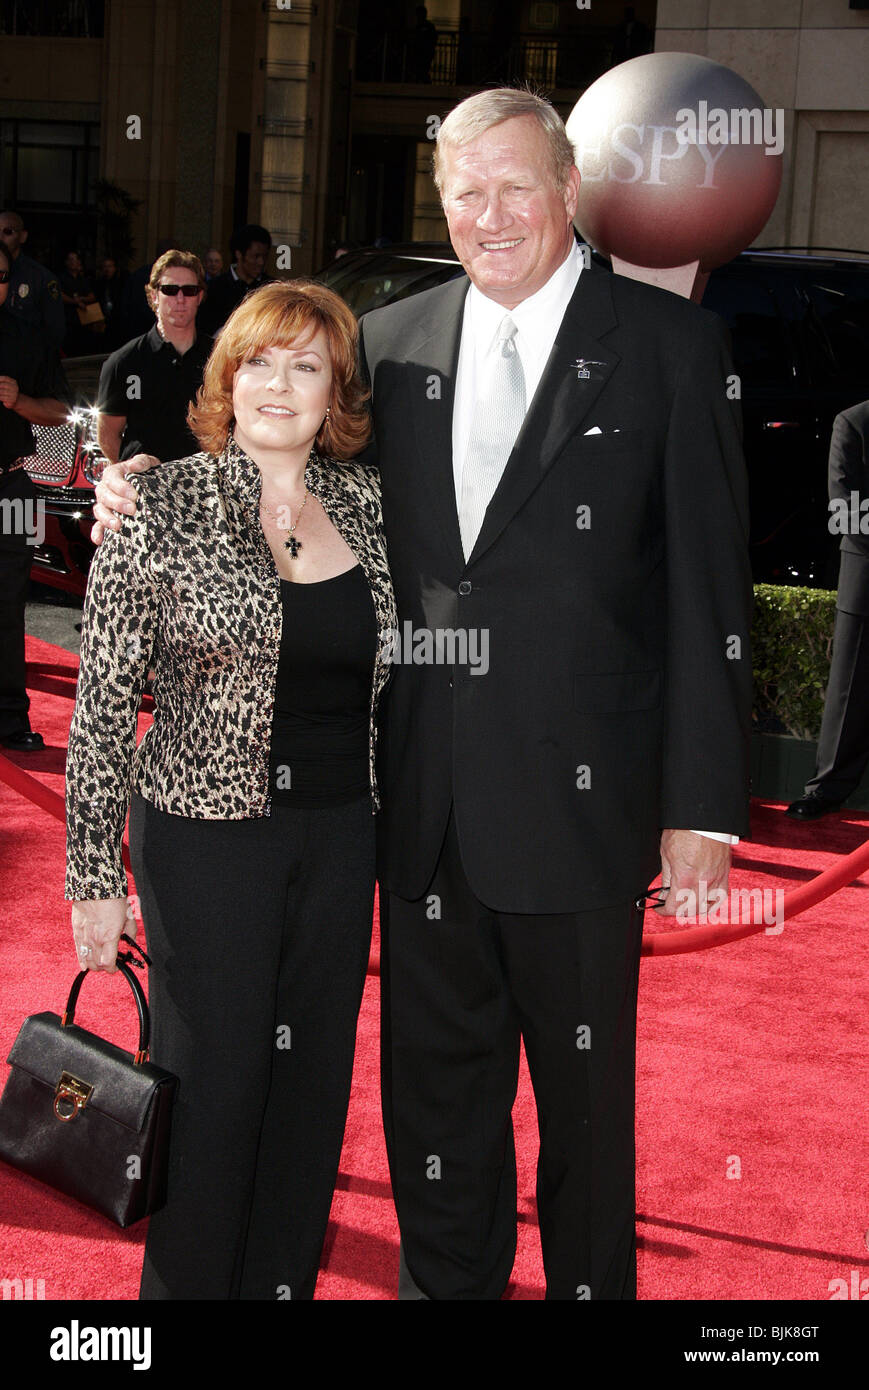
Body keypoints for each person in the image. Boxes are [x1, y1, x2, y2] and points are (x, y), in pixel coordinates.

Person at [93, 87, 752, 1301]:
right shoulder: (392, 347)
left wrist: (700, 806)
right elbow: (276, 458)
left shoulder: (667, 348)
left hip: (582, 808)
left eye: (513, 186)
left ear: (566, 187)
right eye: (464, 194)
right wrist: (143, 484)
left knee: (586, 1120)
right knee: (436, 1114)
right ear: (438, 204)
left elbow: (708, 594)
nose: (489, 215)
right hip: (418, 810)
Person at [66, 279, 396, 1300]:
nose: (278, 383)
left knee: (307, 1097)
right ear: (226, 377)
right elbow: (102, 703)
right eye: (258, 360)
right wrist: (91, 874)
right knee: (212, 1097)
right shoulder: (159, 502)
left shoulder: (372, 507)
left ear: (335, 388)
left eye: (305, 364)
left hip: (342, 841)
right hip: (206, 845)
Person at [0, 238, 70, 751]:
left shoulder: (29, 338)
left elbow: (61, 412)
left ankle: (10, 718)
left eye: (2, 278)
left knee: (12, 604)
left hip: (15, 485)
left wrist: (19, 400)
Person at [787, 400, 869, 820]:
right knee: (849, 691)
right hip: (866, 577)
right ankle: (826, 790)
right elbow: (846, 510)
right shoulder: (854, 423)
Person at [96, 250, 212, 465]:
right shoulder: (124, 362)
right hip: (145, 487)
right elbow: (108, 434)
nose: (180, 299)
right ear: (153, 296)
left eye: (189, 290)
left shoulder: (219, 359)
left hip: (205, 486)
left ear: (200, 296)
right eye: (169, 290)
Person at [0, 209, 65, 352]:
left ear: (23, 236)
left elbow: (54, 332)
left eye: (8, 232)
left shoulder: (41, 278)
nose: (0, 237)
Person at [199, 224, 272, 336]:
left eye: (264, 257)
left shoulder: (271, 288)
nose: (261, 262)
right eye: (256, 256)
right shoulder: (215, 288)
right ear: (238, 254)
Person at [59, 250, 100, 355]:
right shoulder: (62, 278)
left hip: (83, 319)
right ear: (67, 262)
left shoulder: (83, 279)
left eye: (76, 259)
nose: (74, 262)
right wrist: (74, 302)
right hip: (68, 318)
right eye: (71, 260)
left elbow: (92, 296)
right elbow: (60, 295)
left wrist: (82, 299)